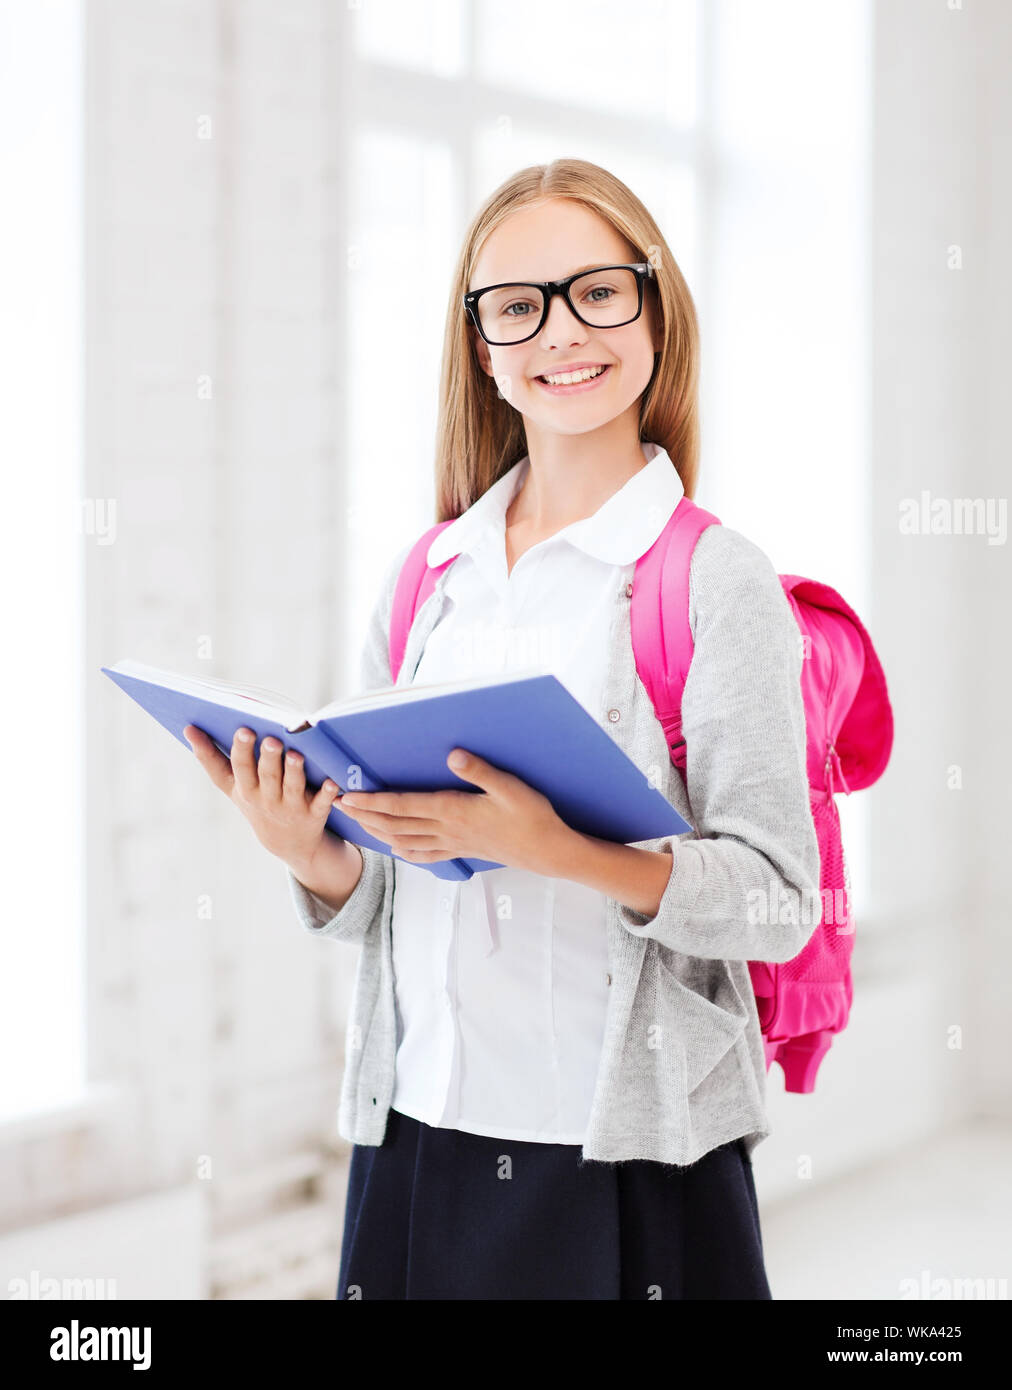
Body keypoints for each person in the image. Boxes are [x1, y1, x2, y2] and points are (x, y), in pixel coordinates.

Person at [184, 158, 822, 1300]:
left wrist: (558, 849)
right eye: (518, 305)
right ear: (482, 346)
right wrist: (311, 854)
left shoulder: (712, 580)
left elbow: (777, 904)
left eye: (597, 291)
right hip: (417, 1134)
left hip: (622, 1159)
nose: (561, 331)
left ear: (654, 308)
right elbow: (392, 890)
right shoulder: (430, 579)